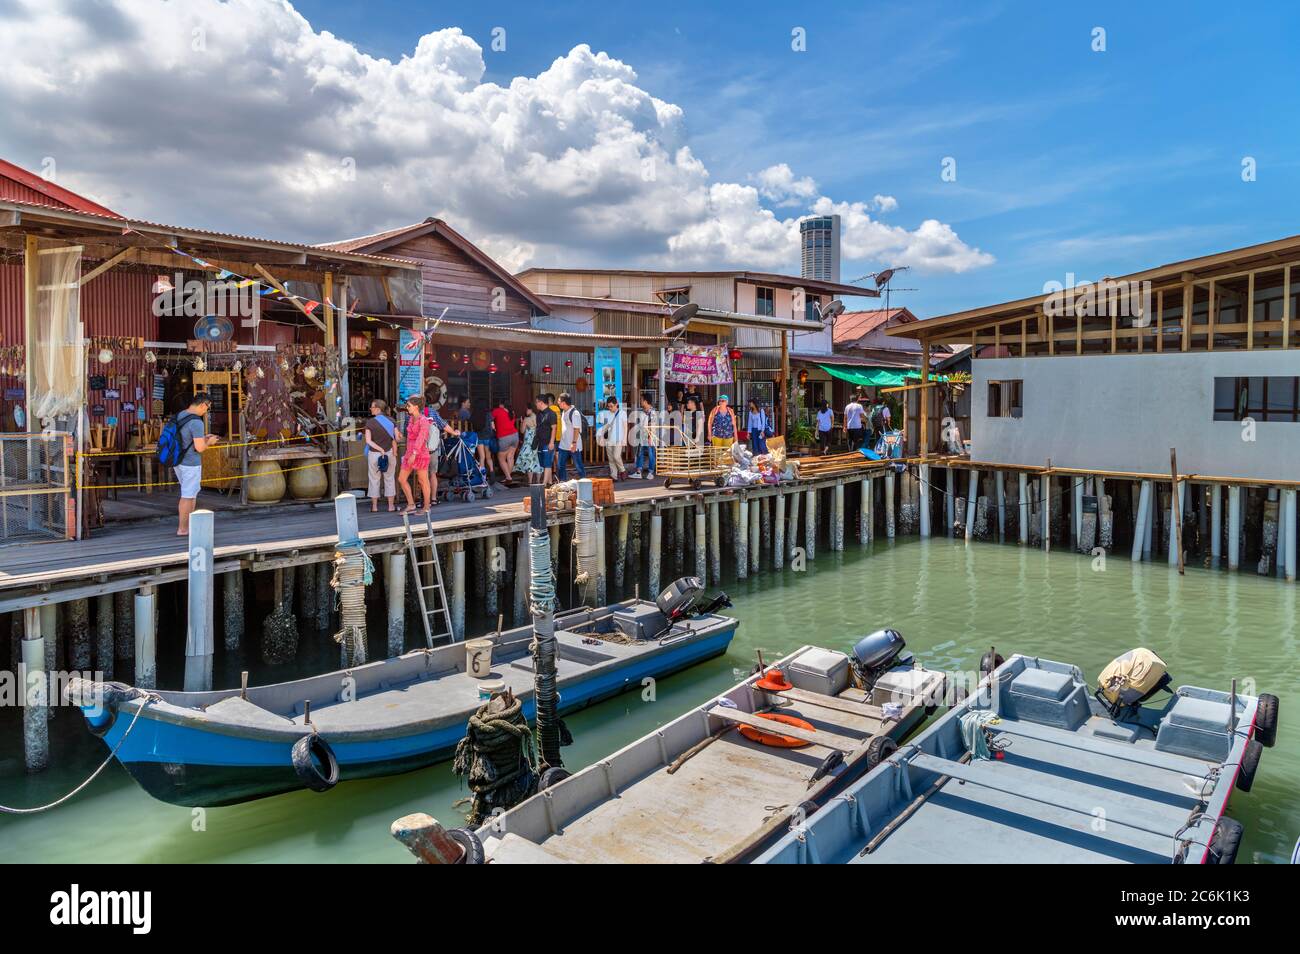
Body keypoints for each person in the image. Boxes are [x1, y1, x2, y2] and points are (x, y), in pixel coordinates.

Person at [174, 392, 218, 536]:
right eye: (208, 407)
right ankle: (183, 528)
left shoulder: (181, 415)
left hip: (178, 461)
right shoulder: (197, 422)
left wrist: (202, 438)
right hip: (190, 463)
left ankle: (188, 526)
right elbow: (199, 448)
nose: (207, 411)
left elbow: (186, 438)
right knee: (187, 495)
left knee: (190, 493)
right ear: (202, 405)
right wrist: (209, 442)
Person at [398, 395, 433, 512]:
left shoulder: (424, 420)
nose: (407, 408)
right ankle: (411, 504)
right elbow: (409, 438)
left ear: (416, 407)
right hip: (410, 453)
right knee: (402, 479)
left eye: (409, 406)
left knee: (423, 481)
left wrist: (414, 453)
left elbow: (421, 438)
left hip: (420, 453)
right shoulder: (411, 419)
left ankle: (427, 506)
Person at [363, 398, 397, 512]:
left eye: (372, 407)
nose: (370, 409)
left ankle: (374, 507)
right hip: (390, 453)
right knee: (389, 478)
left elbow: (368, 441)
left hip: (374, 454)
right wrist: (385, 449)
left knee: (374, 479)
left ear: (377, 409)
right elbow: (396, 437)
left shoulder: (370, 422)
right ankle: (391, 506)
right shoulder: (392, 421)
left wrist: (379, 449)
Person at [555, 392, 585, 480]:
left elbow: (576, 429)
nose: (558, 402)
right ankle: (563, 484)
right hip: (563, 444)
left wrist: (574, 443)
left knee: (578, 466)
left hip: (573, 444)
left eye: (559, 401)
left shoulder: (575, 413)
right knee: (560, 465)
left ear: (564, 402)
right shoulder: (564, 411)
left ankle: (584, 483)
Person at [597, 396, 627, 480]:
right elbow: (605, 427)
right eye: (608, 406)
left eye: (611, 406)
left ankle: (622, 470)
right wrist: (602, 437)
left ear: (616, 404)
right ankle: (614, 475)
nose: (610, 408)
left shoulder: (622, 413)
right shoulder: (607, 414)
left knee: (616, 456)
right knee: (611, 458)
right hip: (609, 439)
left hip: (619, 439)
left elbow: (625, 427)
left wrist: (624, 438)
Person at [491, 400, 518, 483]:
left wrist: (494, 428)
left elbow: (491, 420)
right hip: (515, 435)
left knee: (501, 458)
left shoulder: (497, 411)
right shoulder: (512, 412)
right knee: (510, 457)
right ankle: (508, 477)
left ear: (501, 405)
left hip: (504, 437)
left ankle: (508, 477)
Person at [532, 395, 556, 486]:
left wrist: (551, 442)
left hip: (548, 442)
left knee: (547, 463)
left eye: (536, 402)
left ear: (541, 402)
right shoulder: (539, 414)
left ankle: (544, 484)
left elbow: (554, 428)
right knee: (543, 463)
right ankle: (550, 482)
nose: (536, 404)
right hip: (540, 442)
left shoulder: (551, 413)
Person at [633, 395, 658, 478]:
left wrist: (650, 437)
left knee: (651, 454)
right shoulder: (642, 412)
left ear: (646, 401)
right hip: (642, 436)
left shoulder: (653, 413)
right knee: (640, 453)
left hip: (650, 436)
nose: (640, 401)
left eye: (641, 400)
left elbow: (652, 426)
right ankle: (638, 472)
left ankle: (651, 472)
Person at [514, 406, 542, 479]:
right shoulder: (538, 417)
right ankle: (538, 481)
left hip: (529, 442)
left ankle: (530, 481)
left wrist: (521, 422)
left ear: (530, 409)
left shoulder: (527, 419)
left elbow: (522, 431)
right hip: (537, 441)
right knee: (536, 460)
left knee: (529, 461)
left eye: (527, 409)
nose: (526, 411)